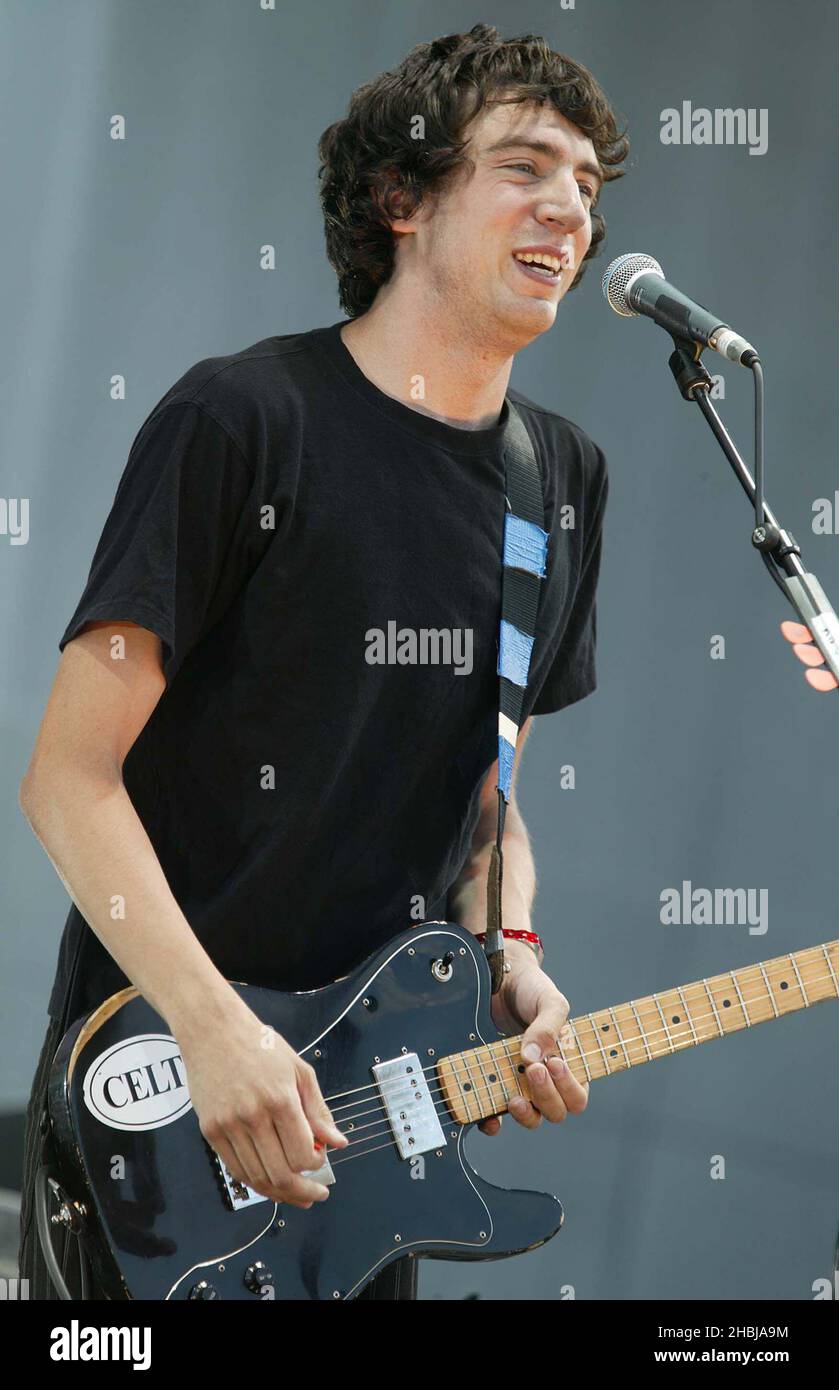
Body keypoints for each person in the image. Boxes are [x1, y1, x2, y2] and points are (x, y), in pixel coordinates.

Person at [16, 23, 630, 1301]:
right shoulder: (241, 418)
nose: (568, 207)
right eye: (524, 166)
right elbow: (68, 781)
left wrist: (509, 947)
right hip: (163, 1105)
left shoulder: (557, 479)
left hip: (353, 1144)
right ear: (400, 199)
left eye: (586, 184)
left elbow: (489, 808)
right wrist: (215, 1027)